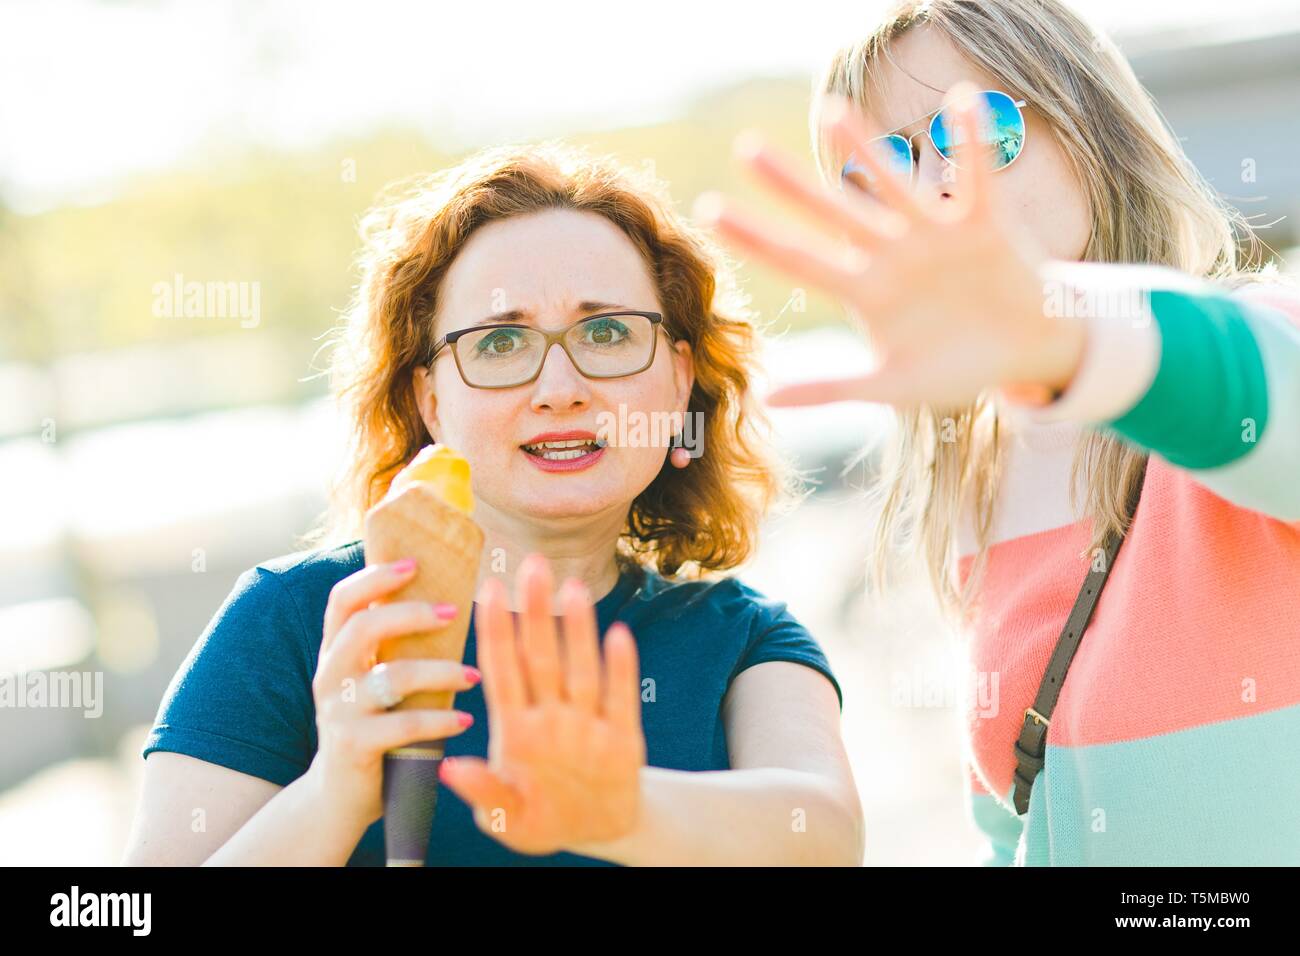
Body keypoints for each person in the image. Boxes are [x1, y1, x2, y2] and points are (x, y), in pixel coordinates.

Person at [122, 142, 864, 866]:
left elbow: (826, 838)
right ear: (430, 400)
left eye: (606, 332)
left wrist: (622, 812)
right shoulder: (298, 618)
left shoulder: (743, 641)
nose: (560, 387)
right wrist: (334, 792)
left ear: (678, 381)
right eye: (501, 342)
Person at [698, 0, 1300, 865]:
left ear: (1090, 123)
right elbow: (1015, 825)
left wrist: (1061, 333)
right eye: (880, 170)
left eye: (982, 130)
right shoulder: (980, 472)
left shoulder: (1248, 338)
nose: (938, 183)